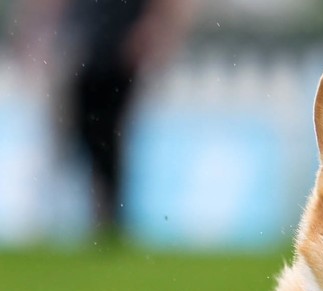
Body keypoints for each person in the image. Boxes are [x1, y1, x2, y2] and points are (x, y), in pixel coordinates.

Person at [15, 0, 193, 239]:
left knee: (106, 139)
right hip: (85, 50)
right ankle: (83, 217)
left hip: (117, 54)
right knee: (85, 137)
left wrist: (154, 31)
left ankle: (107, 219)